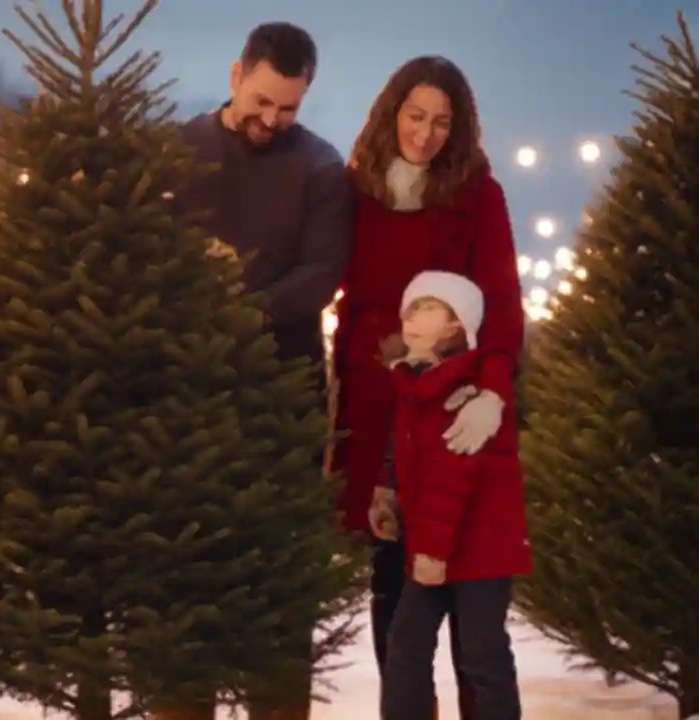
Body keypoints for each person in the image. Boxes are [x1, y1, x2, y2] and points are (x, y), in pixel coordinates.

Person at [166, 20, 353, 720]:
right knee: (184, 591)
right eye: (263, 102)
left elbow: (319, 278)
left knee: (278, 598)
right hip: (185, 409)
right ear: (236, 74)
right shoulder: (176, 153)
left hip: (283, 408)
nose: (272, 120)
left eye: (290, 109)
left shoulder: (321, 169)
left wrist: (234, 303)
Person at [330, 55, 527, 719]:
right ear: (391, 113)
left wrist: (494, 393)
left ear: (460, 128)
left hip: (455, 408)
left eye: (442, 122)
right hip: (378, 411)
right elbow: (354, 302)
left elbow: (500, 302)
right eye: (415, 116)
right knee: (396, 595)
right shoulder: (359, 190)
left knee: (471, 597)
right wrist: (342, 412)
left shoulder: (477, 194)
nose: (425, 133)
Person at [374, 270, 529, 720]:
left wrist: (433, 552)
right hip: (437, 540)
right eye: (411, 308)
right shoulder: (414, 381)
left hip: (480, 543)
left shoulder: (468, 386)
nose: (414, 319)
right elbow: (406, 454)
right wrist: (388, 493)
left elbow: (452, 475)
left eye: (429, 309)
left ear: (457, 324)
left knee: (481, 653)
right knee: (406, 643)